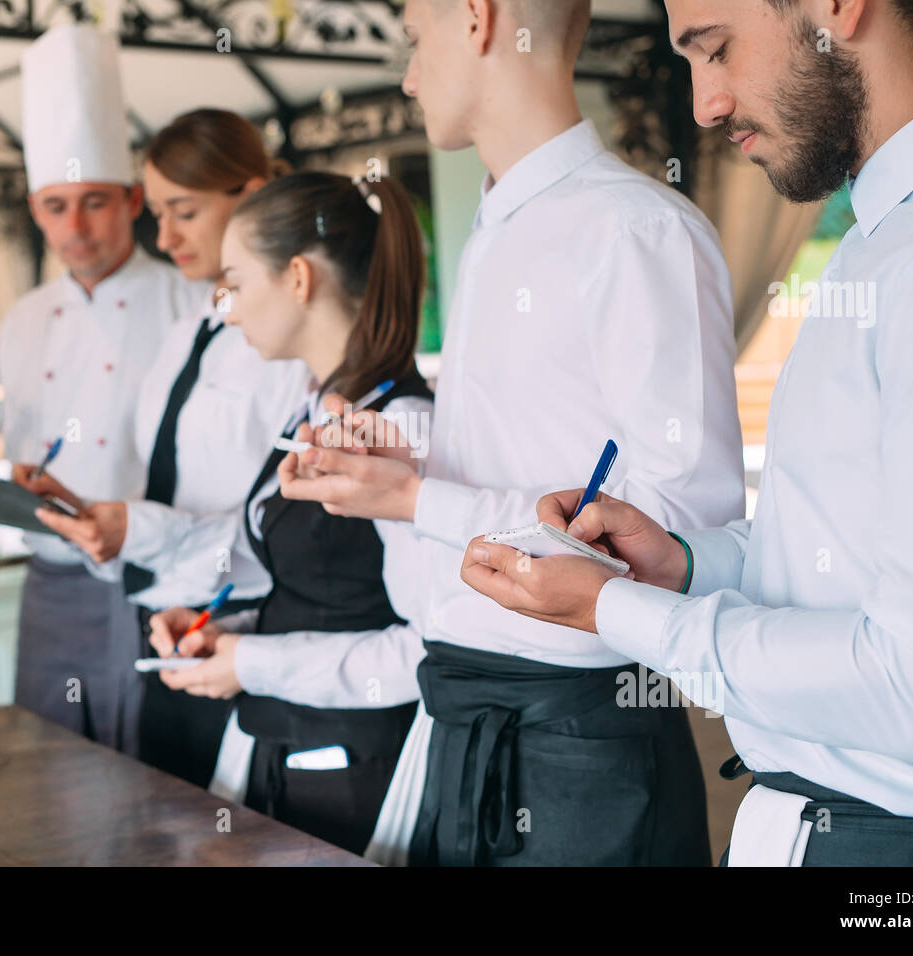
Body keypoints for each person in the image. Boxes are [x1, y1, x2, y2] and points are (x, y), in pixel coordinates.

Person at [461, 0, 913, 866]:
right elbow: (874, 543)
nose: (705, 106)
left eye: (716, 50)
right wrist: (686, 564)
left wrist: (618, 610)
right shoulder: (907, 226)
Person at [276, 0, 746, 865]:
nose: (410, 78)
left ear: (478, 19)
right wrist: (406, 458)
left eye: (414, 43)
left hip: (580, 736)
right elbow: (531, 452)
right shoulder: (497, 226)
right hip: (465, 711)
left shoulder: (637, 228)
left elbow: (684, 527)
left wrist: (417, 498)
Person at [21, 109, 310, 788]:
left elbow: (281, 529)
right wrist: (91, 513)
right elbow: (172, 491)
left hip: (243, 641)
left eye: (183, 210)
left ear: (254, 193)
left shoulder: (289, 349)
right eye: (156, 212)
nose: (165, 234)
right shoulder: (187, 335)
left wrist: (138, 528)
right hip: (164, 630)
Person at [148, 171, 434, 855]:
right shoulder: (308, 412)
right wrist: (223, 627)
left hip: (353, 775)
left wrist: (250, 662)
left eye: (236, 283)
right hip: (282, 749)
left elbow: (425, 652)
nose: (227, 309)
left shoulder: (403, 429)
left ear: (298, 278)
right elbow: (315, 585)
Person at [0, 24, 204, 753]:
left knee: (143, 764)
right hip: (47, 580)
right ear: (33, 209)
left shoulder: (190, 302)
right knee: (45, 763)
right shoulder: (22, 320)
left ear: (134, 199)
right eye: (56, 205)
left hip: (147, 578)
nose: (76, 225)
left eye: (95, 201)